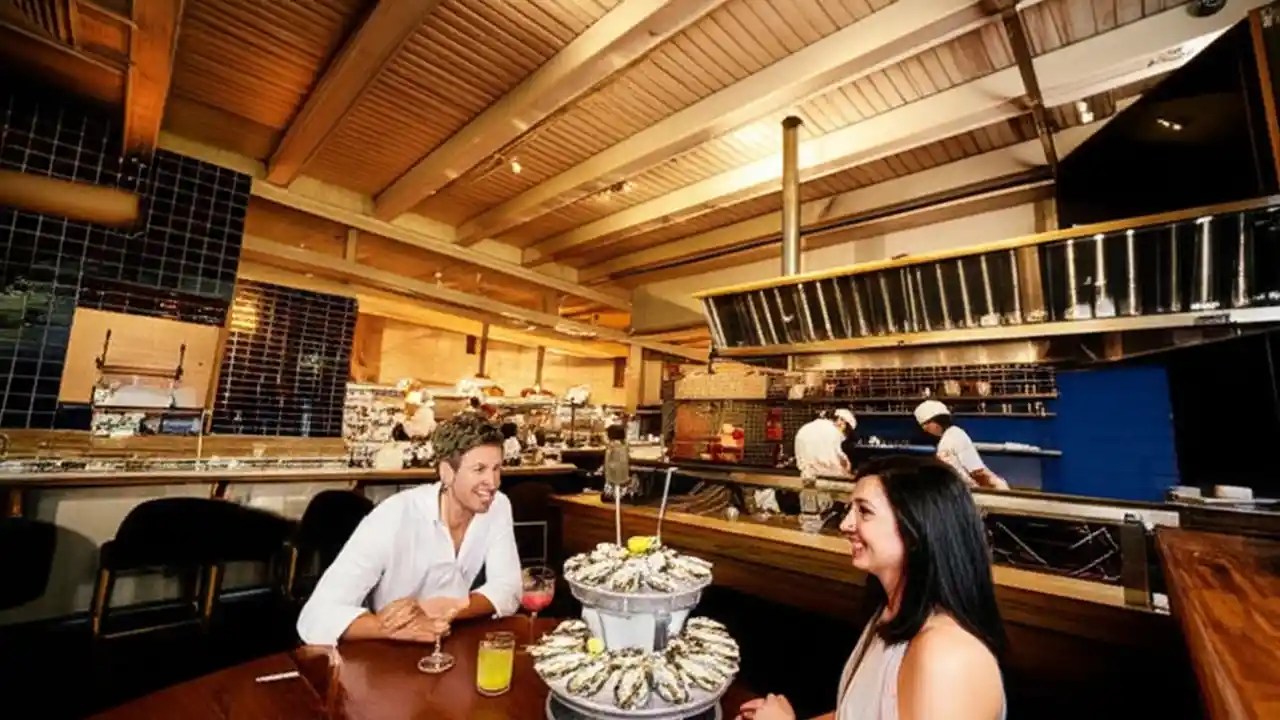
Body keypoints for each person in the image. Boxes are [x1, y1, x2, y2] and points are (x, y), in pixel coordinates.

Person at [737, 456, 1007, 720]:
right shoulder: (889, 614)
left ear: (915, 529)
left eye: (864, 511)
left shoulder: (949, 657)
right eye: (849, 510)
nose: (845, 525)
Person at [296, 413, 522, 645]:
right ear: (447, 472)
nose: (493, 483)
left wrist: (453, 608)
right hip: (387, 657)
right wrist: (390, 627)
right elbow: (314, 617)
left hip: (449, 645)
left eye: (497, 469)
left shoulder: (498, 506)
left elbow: (509, 588)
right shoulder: (394, 516)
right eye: (480, 469)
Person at [912, 400, 1009, 491]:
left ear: (938, 420)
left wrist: (992, 493)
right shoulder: (945, 440)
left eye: (926, 424)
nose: (925, 429)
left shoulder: (956, 435)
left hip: (983, 492)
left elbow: (977, 472)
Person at [794, 409, 856, 477]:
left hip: (807, 475)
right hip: (827, 475)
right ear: (842, 422)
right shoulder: (834, 432)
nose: (845, 435)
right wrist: (846, 469)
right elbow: (834, 459)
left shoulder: (807, 428)